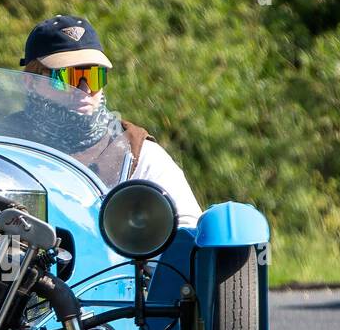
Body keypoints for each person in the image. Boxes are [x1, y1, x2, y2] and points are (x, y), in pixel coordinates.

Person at [12, 15, 203, 227]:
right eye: (67, 78)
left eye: (94, 76)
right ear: (30, 81)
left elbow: (186, 228)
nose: (84, 90)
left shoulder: (137, 151)